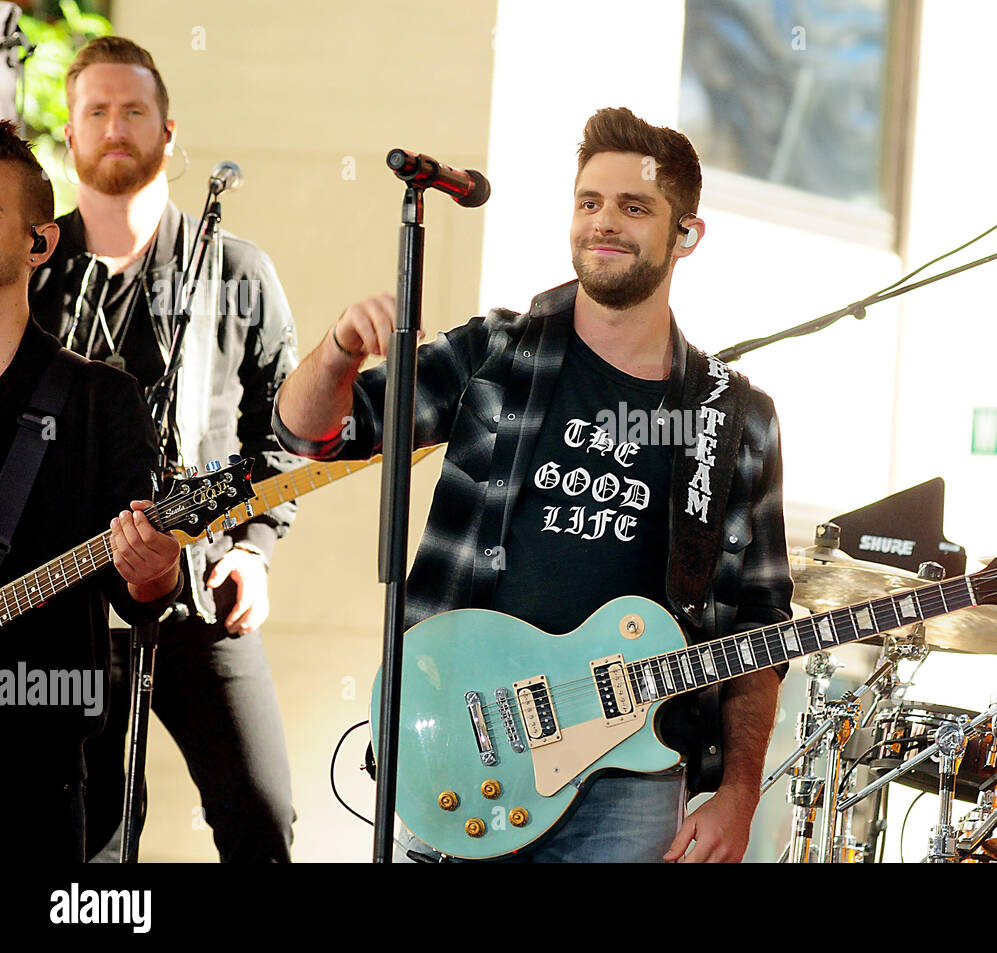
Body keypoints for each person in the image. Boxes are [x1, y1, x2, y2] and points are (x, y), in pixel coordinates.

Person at [274, 106, 793, 862]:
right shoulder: (500, 352)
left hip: (632, 777)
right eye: (590, 202)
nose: (604, 223)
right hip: (466, 743)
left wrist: (739, 794)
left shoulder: (735, 416)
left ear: (687, 234)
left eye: (635, 206)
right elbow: (312, 433)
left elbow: (761, 627)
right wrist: (338, 350)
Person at [29, 37, 300, 862]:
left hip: (202, 590)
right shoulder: (30, 275)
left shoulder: (242, 272)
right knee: (98, 840)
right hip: (67, 609)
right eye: (97, 111)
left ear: (169, 133)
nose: (116, 126)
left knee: (262, 819)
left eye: (134, 110)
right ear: (71, 138)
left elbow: (288, 436)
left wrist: (254, 551)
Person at [0, 119, 182, 861]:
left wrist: (156, 567)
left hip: (31, 774)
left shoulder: (101, 398)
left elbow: (139, 592)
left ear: (38, 243)